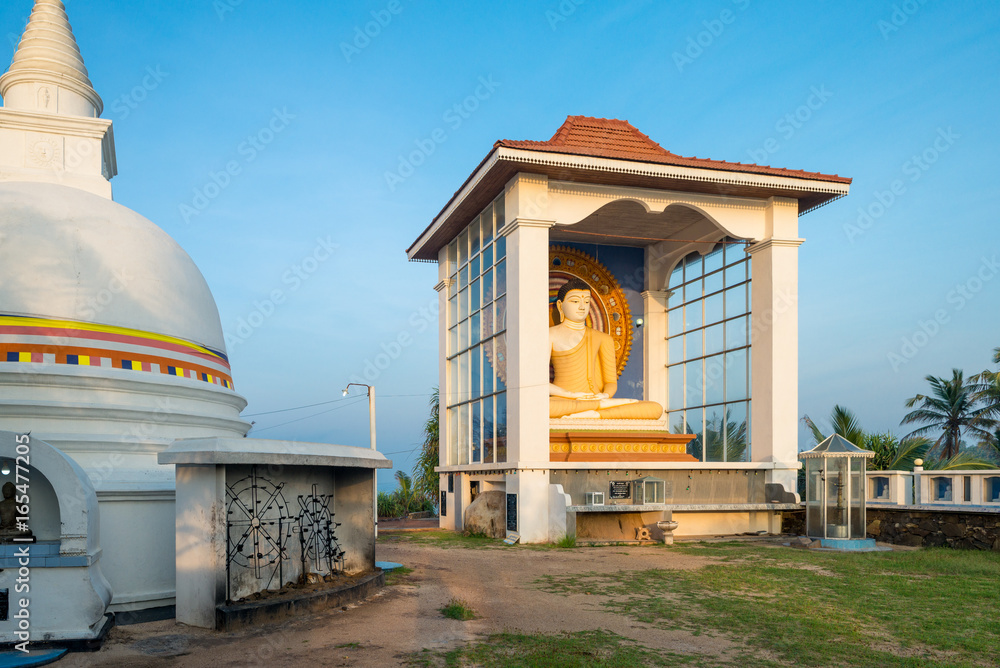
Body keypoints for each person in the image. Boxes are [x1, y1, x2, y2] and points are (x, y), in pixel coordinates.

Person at [549, 279, 663, 419]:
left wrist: (604, 396)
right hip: (563, 401)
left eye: (586, 302)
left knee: (654, 409)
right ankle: (599, 411)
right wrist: (571, 395)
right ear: (560, 306)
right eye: (575, 301)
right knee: (543, 408)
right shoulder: (549, 335)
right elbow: (539, 382)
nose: (582, 307)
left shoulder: (602, 338)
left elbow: (610, 382)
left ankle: (594, 413)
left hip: (597, 398)